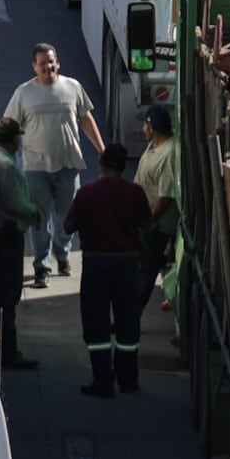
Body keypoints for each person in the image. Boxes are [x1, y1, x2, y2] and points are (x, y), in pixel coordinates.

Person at [2, 43, 104, 288]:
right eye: (42, 63)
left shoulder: (73, 88)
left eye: (51, 62)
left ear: (57, 63)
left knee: (69, 216)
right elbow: (9, 126)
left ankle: (62, 250)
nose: (47, 67)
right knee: (40, 219)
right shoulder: (24, 93)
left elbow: (85, 119)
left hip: (68, 165)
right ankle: (41, 266)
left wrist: (102, 149)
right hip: (35, 169)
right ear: (34, 66)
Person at [64, 143, 153, 397]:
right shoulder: (135, 193)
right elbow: (146, 223)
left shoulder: (86, 193)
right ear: (124, 167)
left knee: (96, 323)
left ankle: (102, 381)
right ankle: (128, 380)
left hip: (96, 264)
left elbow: (69, 226)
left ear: (100, 163)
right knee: (127, 322)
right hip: (127, 264)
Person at [0, 116, 41, 371]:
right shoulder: (7, 166)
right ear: (14, 138)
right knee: (9, 295)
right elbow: (16, 204)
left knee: (1, 292)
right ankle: (9, 352)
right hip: (8, 236)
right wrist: (34, 211)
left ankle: (6, 348)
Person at [133, 103, 180, 309]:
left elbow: (166, 196)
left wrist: (148, 221)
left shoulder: (169, 154)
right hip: (146, 221)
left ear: (152, 128)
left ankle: (131, 318)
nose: (142, 128)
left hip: (157, 226)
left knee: (145, 273)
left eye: (145, 125)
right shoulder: (154, 145)